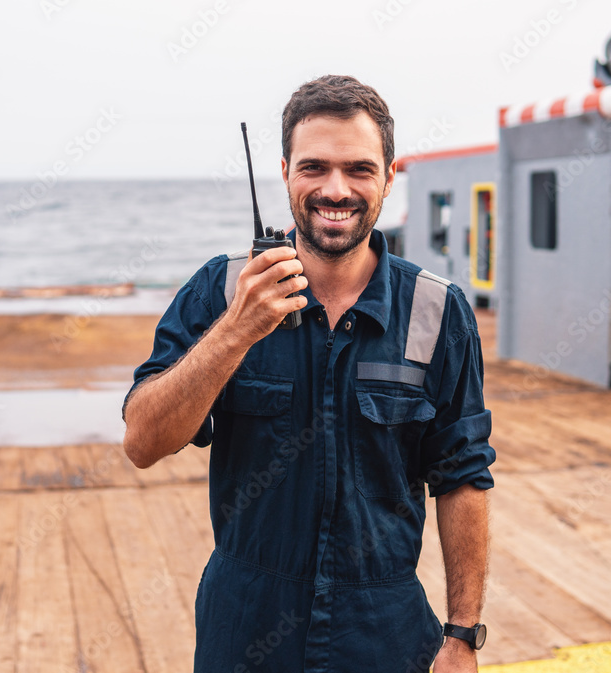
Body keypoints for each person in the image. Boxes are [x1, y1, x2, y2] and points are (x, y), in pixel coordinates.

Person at [122, 74, 496, 673]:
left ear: (389, 178)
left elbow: (461, 477)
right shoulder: (220, 291)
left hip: (385, 631)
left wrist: (461, 635)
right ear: (286, 172)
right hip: (245, 625)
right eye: (314, 167)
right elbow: (143, 442)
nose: (336, 189)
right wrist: (237, 329)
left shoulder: (437, 310)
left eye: (359, 169)